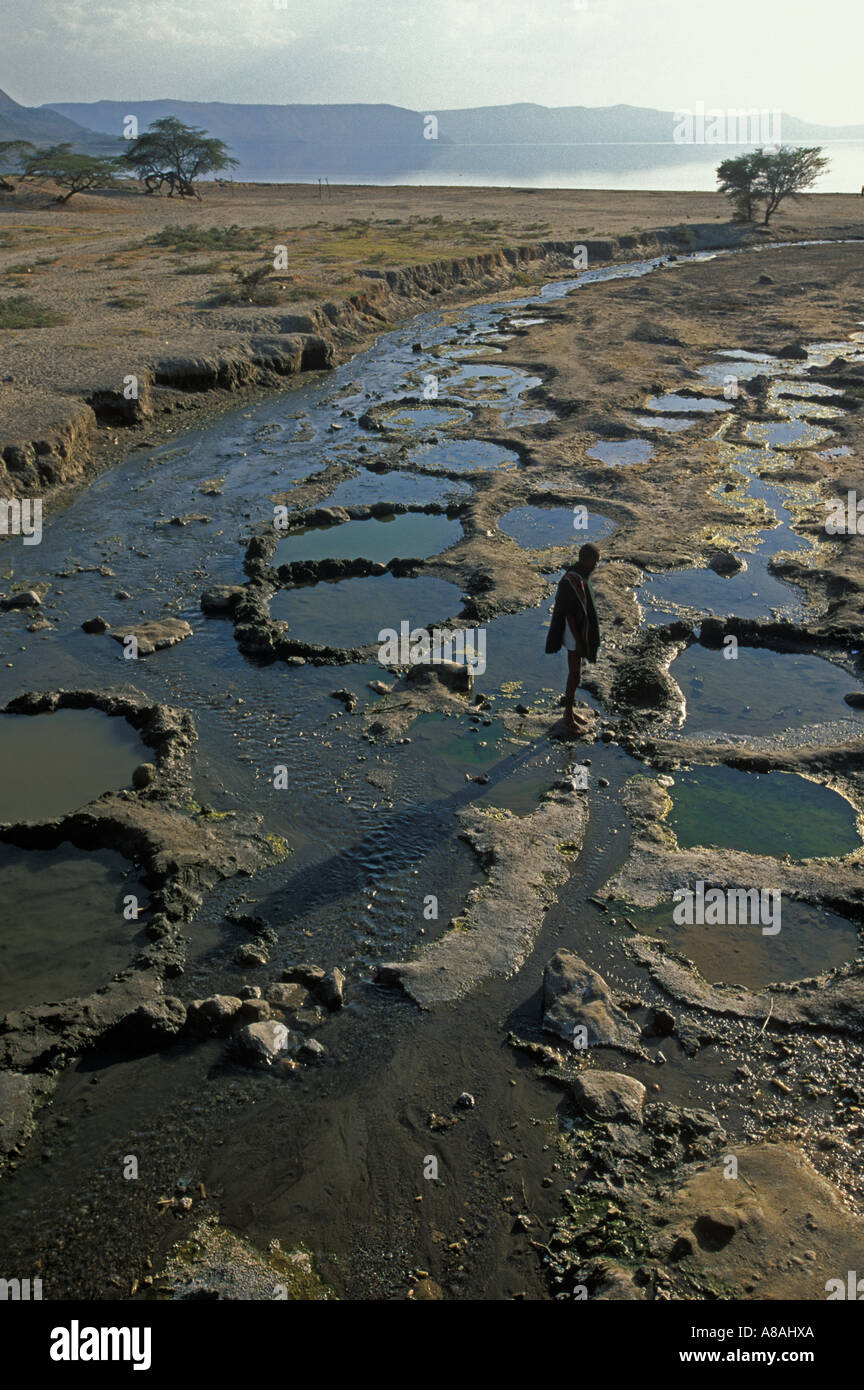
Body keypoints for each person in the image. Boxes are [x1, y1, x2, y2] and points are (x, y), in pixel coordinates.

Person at [545, 542, 601, 733]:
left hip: (576, 629)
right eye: (595, 562)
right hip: (572, 631)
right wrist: (578, 641)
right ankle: (568, 716)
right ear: (585, 560)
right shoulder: (571, 580)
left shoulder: (580, 575)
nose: (596, 565)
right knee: (574, 674)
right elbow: (568, 614)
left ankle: (570, 711)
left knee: (576, 673)